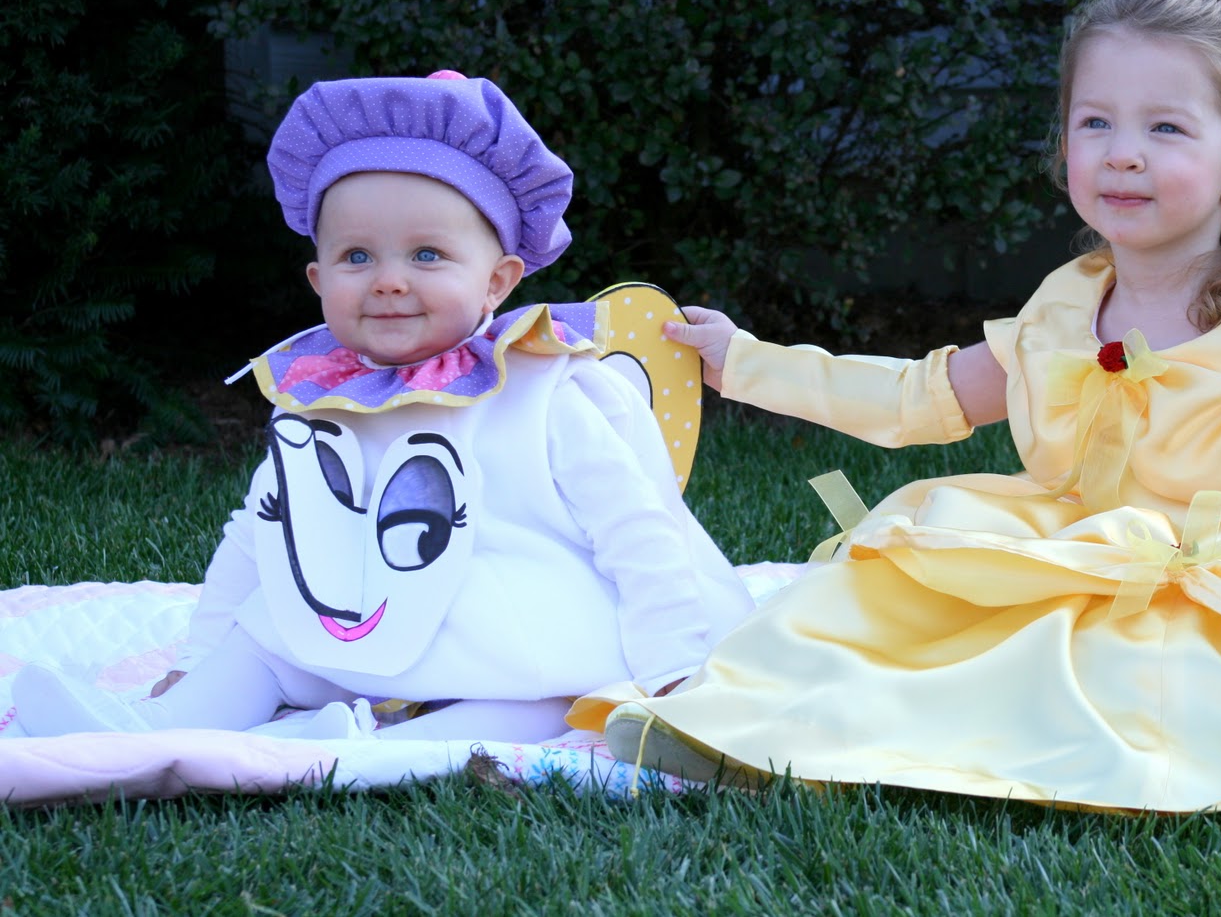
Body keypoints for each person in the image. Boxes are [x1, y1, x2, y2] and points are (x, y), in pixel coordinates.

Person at [585, 0, 1221, 834]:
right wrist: (749, 362)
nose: (1122, 151)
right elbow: (920, 398)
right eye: (1095, 122)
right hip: (1074, 544)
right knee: (892, 608)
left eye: (1164, 127)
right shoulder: (1062, 311)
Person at [13, 71, 752, 743]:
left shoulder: (541, 387)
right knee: (262, 644)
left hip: (504, 620)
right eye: (356, 257)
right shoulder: (316, 392)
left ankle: (371, 749)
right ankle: (161, 724)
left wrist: (673, 666)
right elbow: (261, 534)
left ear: (497, 281)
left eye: (427, 255)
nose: (389, 281)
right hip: (358, 609)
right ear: (316, 277)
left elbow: (636, 528)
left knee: (545, 701)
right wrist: (197, 660)